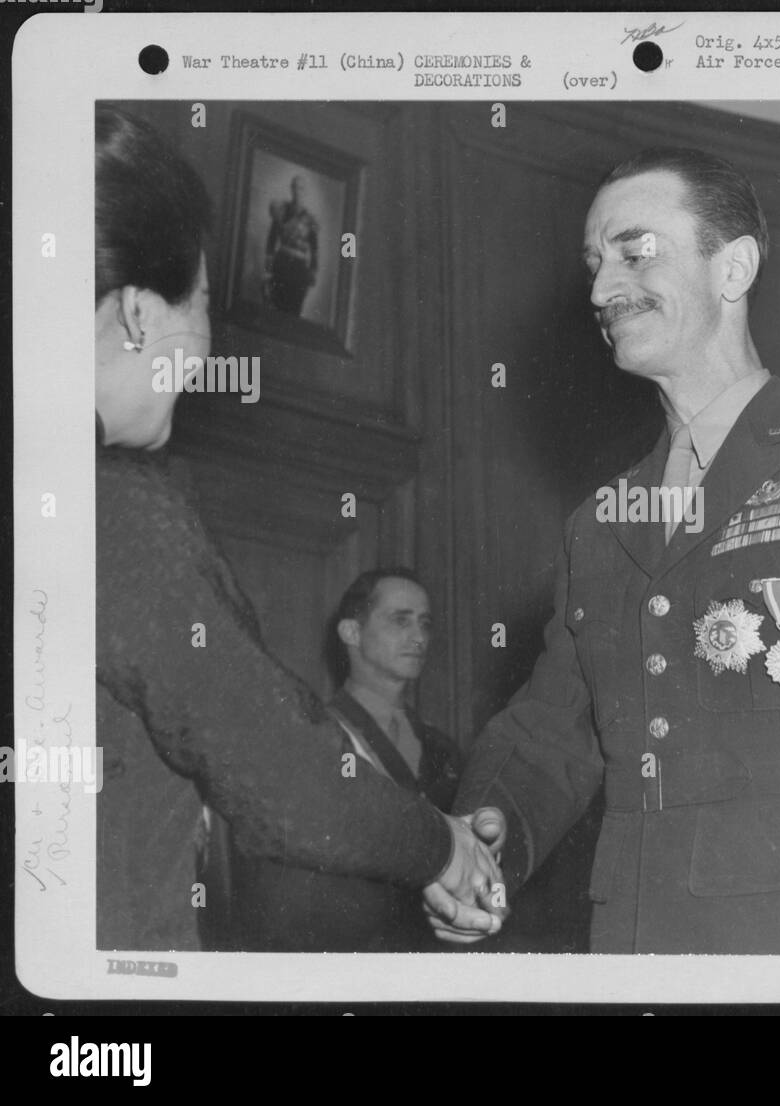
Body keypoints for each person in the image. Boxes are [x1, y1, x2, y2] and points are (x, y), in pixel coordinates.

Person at [446, 148, 780, 953]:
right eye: (595, 263)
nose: (600, 290)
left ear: (733, 268)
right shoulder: (600, 523)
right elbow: (552, 733)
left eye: (636, 252)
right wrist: (479, 843)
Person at [93, 105, 501, 951]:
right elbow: (279, 768)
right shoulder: (114, 508)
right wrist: (439, 846)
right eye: (201, 300)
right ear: (137, 312)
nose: (204, 347)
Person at [229, 569, 464, 951]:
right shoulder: (314, 736)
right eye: (400, 620)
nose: (419, 637)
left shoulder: (443, 749)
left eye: (425, 623)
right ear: (352, 633)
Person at [262, 174, 319, 315]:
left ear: (304, 192)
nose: (297, 191)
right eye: (294, 187)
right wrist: (268, 264)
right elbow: (272, 239)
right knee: (275, 305)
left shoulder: (310, 220)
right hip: (281, 264)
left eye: (300, 188)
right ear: (291, 189)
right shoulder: (281, 211)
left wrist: (313, 270)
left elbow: (315, 248)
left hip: (299, 269)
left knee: (294, 309)